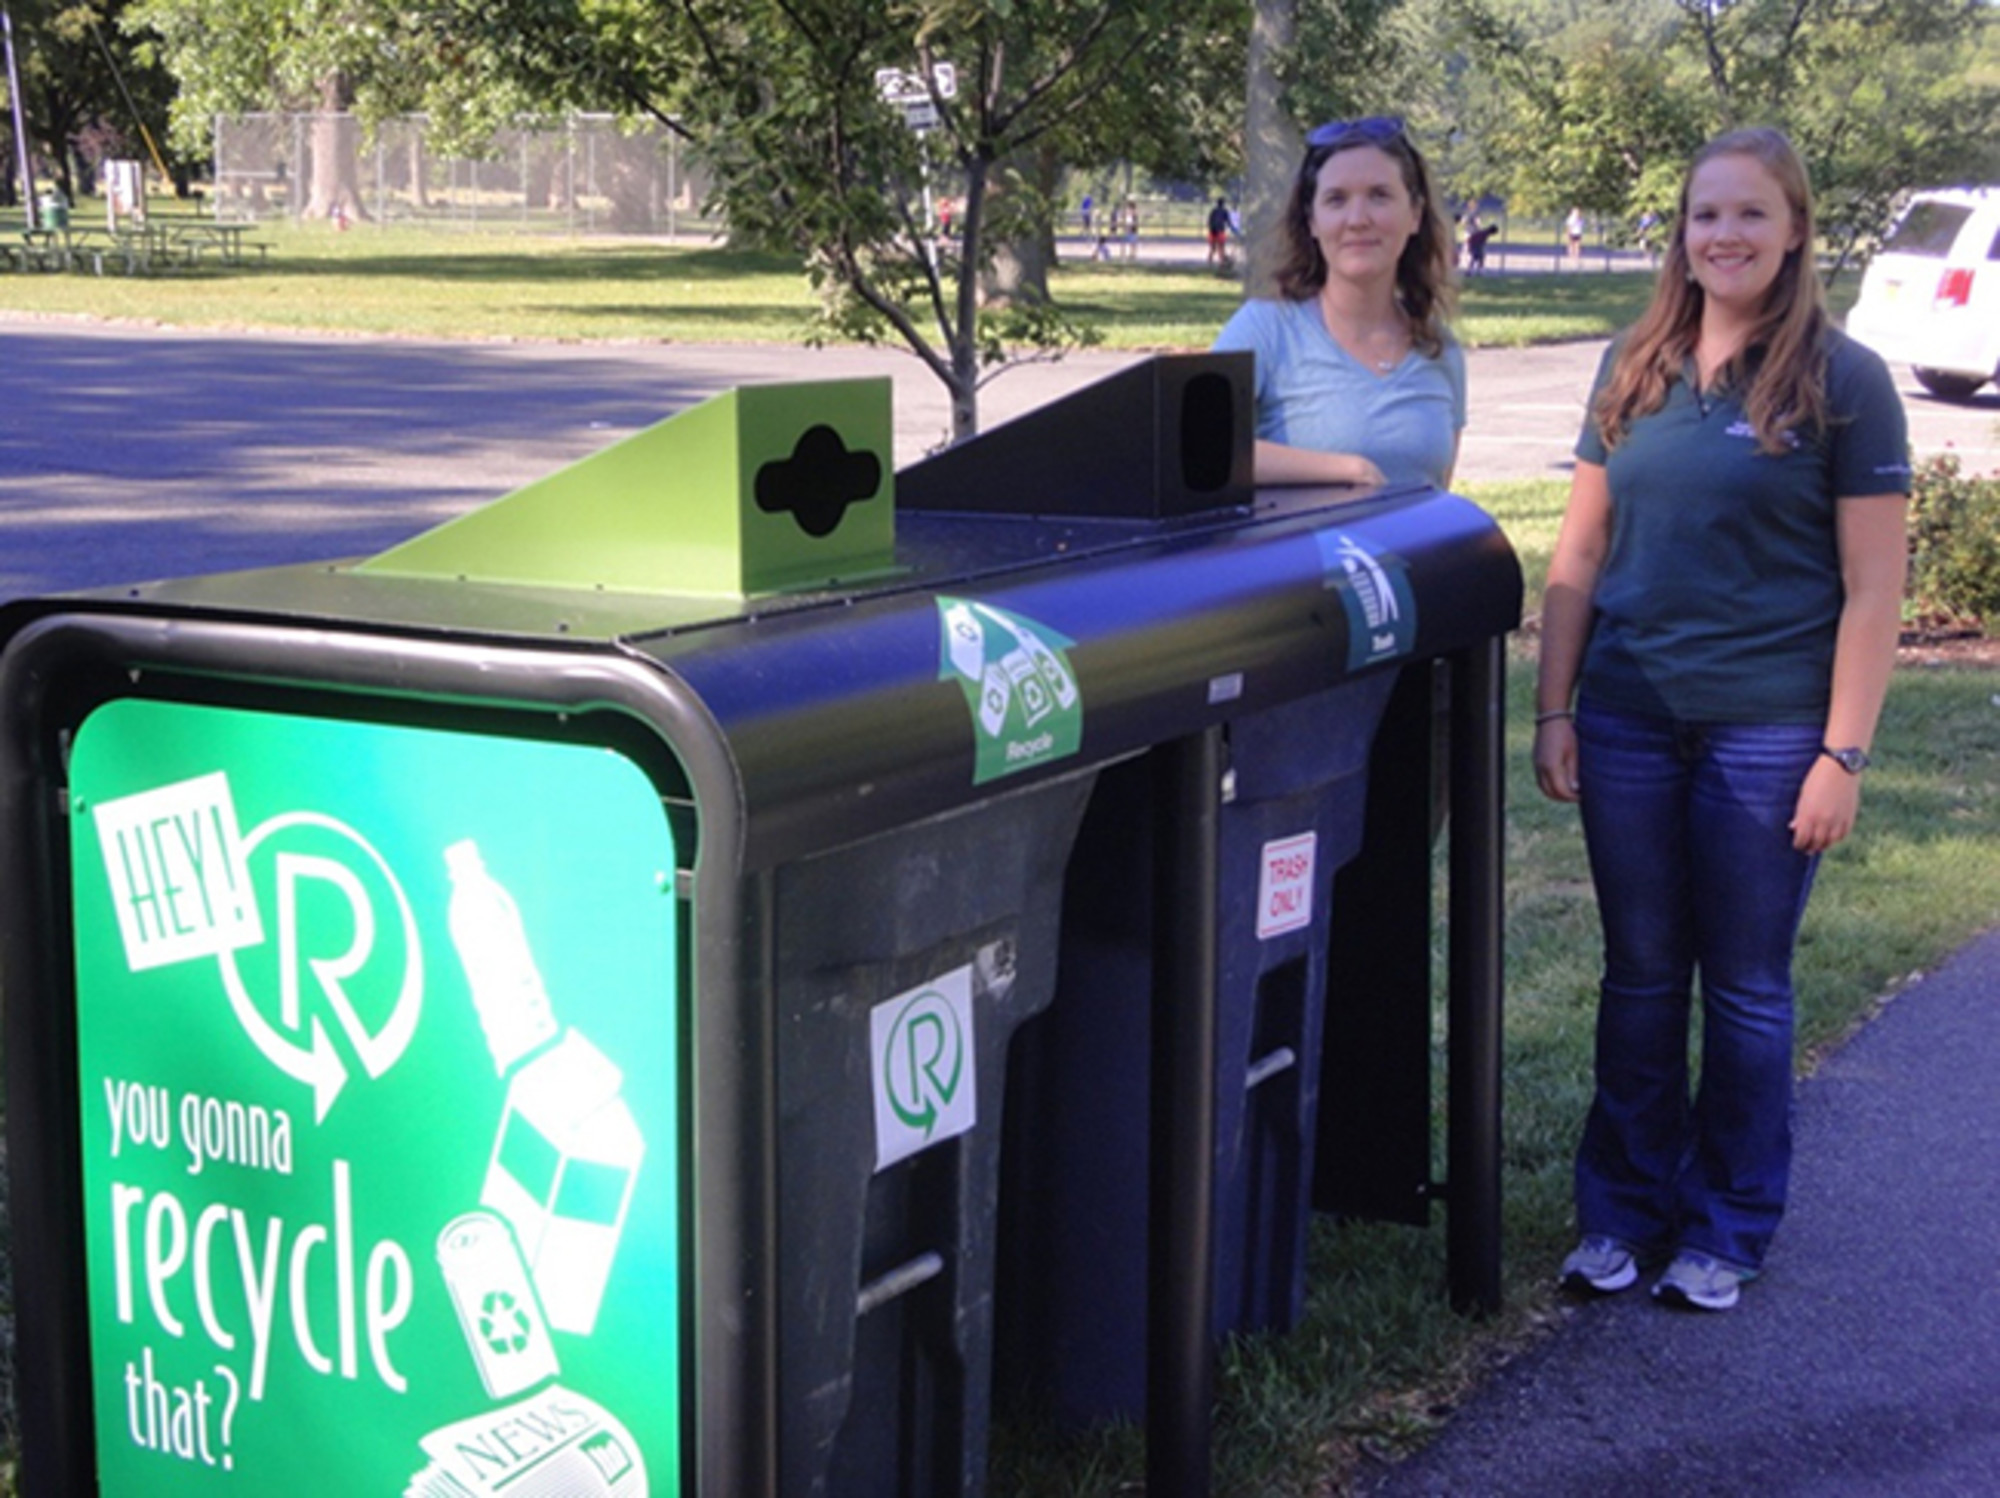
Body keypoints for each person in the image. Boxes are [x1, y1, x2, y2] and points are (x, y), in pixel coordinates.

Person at [1536, 128, 1910, 1313]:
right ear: (1680, 234)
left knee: (1743, 985)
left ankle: (1727, 1222)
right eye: (1705, 216)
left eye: (1750, 215)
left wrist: (1839, 753)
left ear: (1794, 229)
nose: (1725, 237)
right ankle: (1618, 1214)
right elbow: (1580, 549)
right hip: (1628, 717)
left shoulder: (1841, 380)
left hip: (1765, 732)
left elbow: (1871, 587)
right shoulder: (1633, 363)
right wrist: (1554, 704)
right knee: (1639, 975)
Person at [1211, 116, 1464, 491]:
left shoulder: (1440, 350)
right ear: (1312, 221)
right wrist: (1345, 470)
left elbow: (1439, 495)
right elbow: (1196, 451)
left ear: (1414, 214)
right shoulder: (1264, 330)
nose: (1358, 219)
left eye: (1379, 195)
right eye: (1336, 200)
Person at [1207, 196, 1233, 268]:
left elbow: (1209, 221)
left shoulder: (1213, 211)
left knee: (1213, 248)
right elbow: (1228, 222)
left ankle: (1210, 261)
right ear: (1223, 203)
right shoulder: (1225, 211)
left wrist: (1211, 228)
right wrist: (1233, 229)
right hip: (1220, 230)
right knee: (1221, 247)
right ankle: (1221, 262)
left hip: (1212, 231)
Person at [1565, 204, 1586, 268]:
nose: (1577, 212)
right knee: (1571, 245)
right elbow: (1569, 226)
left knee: (1577, 246)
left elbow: (1581, 226)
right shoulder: (1571, 218)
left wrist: (1581, 233)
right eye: (1575, 211)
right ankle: (1571, 258)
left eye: (1577, 211)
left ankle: (1576, 258)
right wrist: (1568, 233)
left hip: (1578, 233)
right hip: (1572, 233)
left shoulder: (1580, 218)